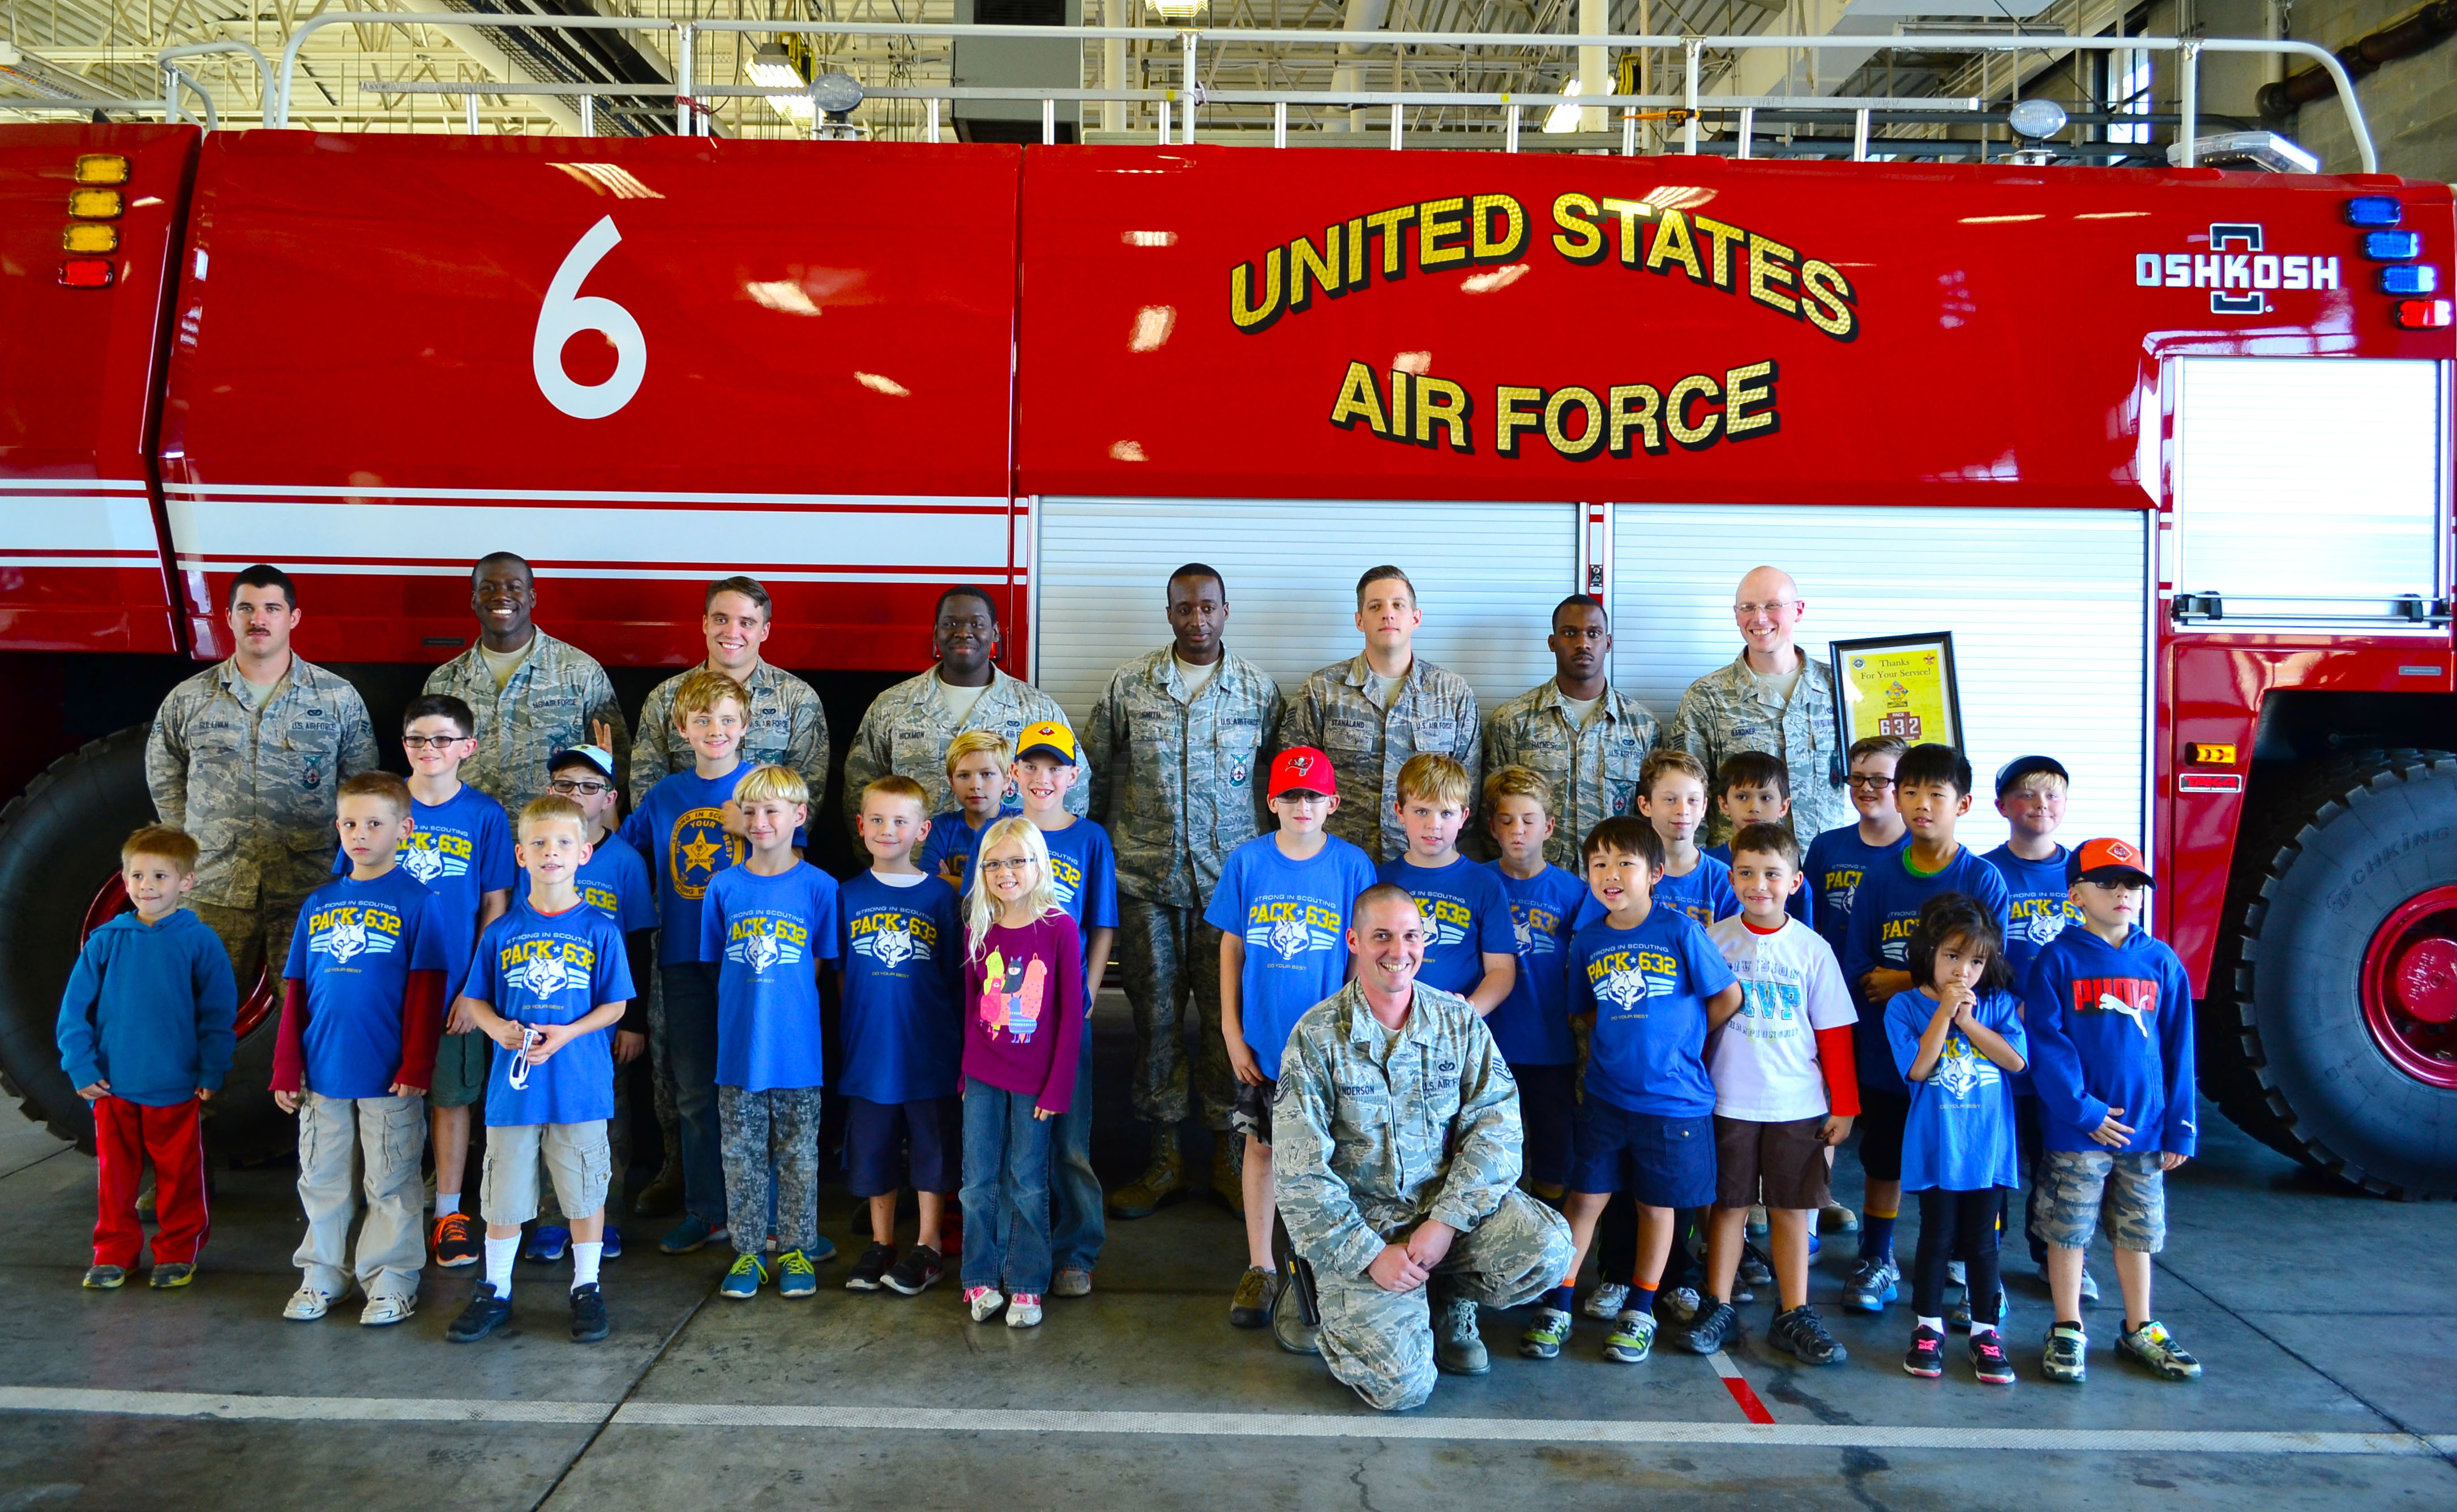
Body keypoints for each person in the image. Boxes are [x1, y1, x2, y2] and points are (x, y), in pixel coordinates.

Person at [1276, 885, 1576, 1412]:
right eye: (1382, 936)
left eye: (1411, 935)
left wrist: (1447, 1222)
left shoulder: (1457, 1022)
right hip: (1360, 1229)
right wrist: (1370, 1256)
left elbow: (1499, 1129)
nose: (1399, 950)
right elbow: (1301, 1175)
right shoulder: (1316, 1036)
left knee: (1549, 1249)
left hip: (1441, 1220)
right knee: (1401, 1389)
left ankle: (1445, 1293)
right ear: (1353, 941)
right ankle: (1330, 1293)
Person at [1085, 563, 1282, 1220]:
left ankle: (1230, 1159)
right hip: (1145, 884)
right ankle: (1164, 1159)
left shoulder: (1258, 690)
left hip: (1231, 889)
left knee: (1234, 1025)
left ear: (1227, 609)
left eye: (1207, 607)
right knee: (1158, 1022)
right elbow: (1089, 775)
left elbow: (1279, 789)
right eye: (1183, 608)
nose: (1196, 619)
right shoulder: (1129, 685)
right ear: (1168, 612)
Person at [1521, 816, 1742, 1367]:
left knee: (1656, 1205)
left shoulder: (1680, 931)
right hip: (1604, 1098)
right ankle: (1560, 1299)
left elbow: (1726, 998)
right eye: (1598, 864)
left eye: (1625, 863)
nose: (1610, 874)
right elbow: (1583, 1010)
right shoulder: (1589, 937)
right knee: (1586, 1199)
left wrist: (1680, 1042)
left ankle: (1640, 1309)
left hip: (1672, 1103)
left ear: (1654, 873)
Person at [445, 795, 635, 1346]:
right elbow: (475, 999)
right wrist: (495, 1027)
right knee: (503, 1193)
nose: (551, 852)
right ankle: (495, 1289)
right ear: (521, 855)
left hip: (578, 1087)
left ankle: (586, 1286)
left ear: (584, 851)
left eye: (562, 843)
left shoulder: (600, 928)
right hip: (514, 1090)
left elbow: (616, 1005)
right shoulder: (500, 931)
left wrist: (570, 1033)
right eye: (539, 843)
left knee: (582, 1191)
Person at [145, 563, 379, 994]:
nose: (259, 619)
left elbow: (362, 789)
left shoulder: (337, 697)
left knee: (310, 1019)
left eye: (272, 607)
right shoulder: (190, 698)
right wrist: (197, 843)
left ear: (293, 618)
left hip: (307, 892)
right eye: (247, 608)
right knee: (196, 1014)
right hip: (214, 891)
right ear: (230, 618)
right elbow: (165, 775)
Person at [269, 772, 450, 1325]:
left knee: (391, 1183)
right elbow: (296, 991)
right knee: (322, 1179)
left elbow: (426, 990)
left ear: (404, 828)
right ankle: (321, 1276)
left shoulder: (418, 902)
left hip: (389, 1078)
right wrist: (285, 1066)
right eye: (350, 823)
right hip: (323, 1074)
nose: (360, 834)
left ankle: (391, 1280)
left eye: (374, 823)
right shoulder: (319, 903)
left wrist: (418, 1062)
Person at [1205, 747, 1377, 1327]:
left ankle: (1321, 1265)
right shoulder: (1248, 861)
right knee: (1263, 1148)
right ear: (1271, 801)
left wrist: (1351, 1029)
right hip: (1263, 1042)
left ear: (1332, 803)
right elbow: (1231, 945)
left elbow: (1360, 957)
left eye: (1313, 797)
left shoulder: (1352, 866)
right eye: (1290, 796)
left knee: (1330, 1156)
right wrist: (1231, 1030)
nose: (1302, 806)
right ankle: (1261, 1265)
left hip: (1325, 1049)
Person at [1839, 743, 2012, 1316]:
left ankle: (1971, 1264)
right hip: (1892, 1048)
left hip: (1965, 1062)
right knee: (1883, 1155)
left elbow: (1985, 969)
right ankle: (1877, 1254)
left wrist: (1907, 979)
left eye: (1934, 794)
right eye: (1908, 790)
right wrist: (1895, 984)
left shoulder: (1981, 878)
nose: (1919, 804)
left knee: (1967, 1159)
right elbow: (1859, 966)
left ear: (1960, 804)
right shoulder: (1879, 875)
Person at [2022, 837, 2203, 1385]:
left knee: (2137, 1230)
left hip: (2143, 1133)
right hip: (2077, 1131)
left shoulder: (2160, 961)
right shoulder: (2057, 959)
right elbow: (2046, 1044)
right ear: (2074, 893)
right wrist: (2082, 1109)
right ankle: (2067, 1325)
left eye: (2132, 885)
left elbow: (2178, 1046)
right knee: (2067, 1228)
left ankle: (2139, 1326)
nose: (2123, 893)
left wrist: (2180, 1125)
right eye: (2107, 883)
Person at [1688, 823, 1856, 1367]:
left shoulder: (1812, 949)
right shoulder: (1715, 940)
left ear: (1795, 881)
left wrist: (1845, 1104)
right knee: (1728, 1207)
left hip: (1796, 1104)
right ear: (1730, 876)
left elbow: (1833, 1032)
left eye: (1772, 874)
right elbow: (1693, 1023)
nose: (1759, 885)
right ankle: (1718, 1303)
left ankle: (1794, 1311)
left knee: (1791, 1209)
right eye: (1746, 873)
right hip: (1726, 1101)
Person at [56, 826, 237, 1292]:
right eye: (138, 875)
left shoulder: (201, 942)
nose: (148, 885)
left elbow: (218, 1014)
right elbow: (74, 1010)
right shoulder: (104, 940)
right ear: (124, 878)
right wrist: (81, 1064)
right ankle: (114, 1253)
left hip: (176, 1087)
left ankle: (178, 1251)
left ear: (187, 882)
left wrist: (211, 1069)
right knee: (115, 1179)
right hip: (112, 1088)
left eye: (160, 875)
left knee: (180, 1177)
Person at [369, 695, 514, 1275]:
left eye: (443, 740)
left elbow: (495, 908)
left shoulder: (485, 816)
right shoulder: (381, 806)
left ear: (467, 748)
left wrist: (472, 992)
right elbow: (355, 888)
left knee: (451, 1100)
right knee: (387, 1100)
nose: (430, 750)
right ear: (403, 745)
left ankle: (449, 1213)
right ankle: (393, 1211)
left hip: (456, 988)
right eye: (417, 739)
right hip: (388, 988)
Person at [618, 670, 758, 1256]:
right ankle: (707, 1211)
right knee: (696, 1090)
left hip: (750, 959)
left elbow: (793, 858)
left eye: (727, 720)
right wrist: (593, 794)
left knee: (752, 1086)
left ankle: (763, 1211)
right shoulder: (665, 794)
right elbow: (620, 851)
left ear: (745, 727)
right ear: (682, 729)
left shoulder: (761, 786)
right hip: (682, 959)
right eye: (702, 721)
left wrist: (747, 824)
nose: (715, 730)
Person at [982, 722, 1118, 1297]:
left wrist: (1084, 995)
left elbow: (1101, 925)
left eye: (1053, 768)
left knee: (1069, 1138)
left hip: (1062, 1017)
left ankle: (1076, 1251)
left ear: (1072, 776)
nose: (1041, 779)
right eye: (1030, 767)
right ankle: (1012, 1253)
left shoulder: (1089, 841)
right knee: (1010, 1143)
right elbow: (981, 922)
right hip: (1006, 1023)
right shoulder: (996, 836)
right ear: (1014, 774)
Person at [702, 765, 841, 1302]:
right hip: (738, 1053)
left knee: (799, 1156)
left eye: (773, 811)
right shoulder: (723, 885)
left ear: (798, 816)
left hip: (797, 1055)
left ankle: (797, 1249)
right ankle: (747, 1252)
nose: (761, 822)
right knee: (740, 1155)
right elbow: (718, 961)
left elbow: (820, 965)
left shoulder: (819, 887)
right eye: (752, 811)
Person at [1886, 894, 2028, 1385]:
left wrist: (1968, 1020)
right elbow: (1919, 1067)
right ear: (1927, 952)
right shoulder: (1904, 1007)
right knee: (1936, 1240)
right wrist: (1944, 1015)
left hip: (1987, 1153)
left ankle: (1985, 1332)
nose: (1963, 971)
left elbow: (2014, 1061)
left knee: (1983, 1245)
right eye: (1951, 956)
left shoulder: (1999, 1005)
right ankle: (1927, 1327)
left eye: (1975, 960)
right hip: (1937, 1151)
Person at [837, 776, 966, 1299]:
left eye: (900, 820)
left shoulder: (941, 897)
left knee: (933, 1149)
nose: (887, 829)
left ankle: (929, 1244)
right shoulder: (844, 895)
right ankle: (882, 1240)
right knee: (875, 1148)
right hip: (869, 1050)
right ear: (861, 825)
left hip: (928, 1050)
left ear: (922, 830)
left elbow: (957, 978)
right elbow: (842, 975)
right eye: (877, 819)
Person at [958, 817, 1088, 1331]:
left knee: (1028, 1182)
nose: (1006, 872)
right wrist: (965, 1074)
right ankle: (979, 1276)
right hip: (982, 1075)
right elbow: (970, 1007)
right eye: (994, 863)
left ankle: (1028, 1280)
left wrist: (1059, 1086)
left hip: (1036, 1082)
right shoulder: (977, 926)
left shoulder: (1059, 926)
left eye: (1018, 861)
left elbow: (1070, 1017)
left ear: (1039, 865)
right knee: (977, 1182)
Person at [842, 585, 1085, 836]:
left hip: (1008, 871)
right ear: (936, 633)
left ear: (995, 633)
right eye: (950, 624)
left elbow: (1075, 794)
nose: (963, 632)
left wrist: (1044, 859)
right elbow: (859, 792)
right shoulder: (892, 707)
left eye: (977, 624)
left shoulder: (1036, 711)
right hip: (914, 869)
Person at [1277, 566, 1482, 863]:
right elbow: (1293, 782)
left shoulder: (1452, 694)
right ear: (1360, 620)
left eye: (1398, 605)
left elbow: (1469, 791)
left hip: (1422, 863)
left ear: (1416, 618)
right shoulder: (1323, 690)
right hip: (1338, 861)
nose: (1388, 614)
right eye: (1375, 606)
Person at [546, 744, 654, 1254]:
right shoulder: (538, 848)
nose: (577, 795)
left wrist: (634, 1021)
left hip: (605, 1021)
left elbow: (637, 944)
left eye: (591, 787)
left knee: (609, 1119)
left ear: (609, 798)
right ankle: (550, 1217)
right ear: (551, 792)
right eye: (566, 784)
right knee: (547, 1117)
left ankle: (601, 1216)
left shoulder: (625, 861)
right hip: (544, 1014)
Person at [1799, 733, 1907, 1243]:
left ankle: (1879, 1245)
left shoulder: (1918, 851)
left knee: (1884, 1131)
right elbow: (1803, 924)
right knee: (1820, 1115)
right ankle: (1811, 1216)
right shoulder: (1828, 846)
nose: (1867, 789)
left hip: (1892, 1011)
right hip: (1826, 1005)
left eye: (1881, 780)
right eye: (1857, 778)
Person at [422, 552, 628, 812]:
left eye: (514, 587)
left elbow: (616, 763)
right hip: (470, 840)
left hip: (555, 843)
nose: (501, 596)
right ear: (474, 600)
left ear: (531, 598)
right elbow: (427, 767)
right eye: (488, 588)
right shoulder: (443, 683)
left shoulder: (580, 672)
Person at [1984, 754, 2083, 1287]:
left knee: (2057, 1156)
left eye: (2051, 795)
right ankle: (1980, 1251)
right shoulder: (1985, 871)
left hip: (2061, 1047)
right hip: (2001, 1039)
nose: (2040, 804)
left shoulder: (2085, 876)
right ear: (2002, 806)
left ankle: (2053, 1254)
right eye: (2026, 794)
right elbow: (1972, 953)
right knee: (2000, 1152)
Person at [1666, 566, 1848, 847]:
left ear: (1798, 611)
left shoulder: (1840, 688)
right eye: (1747, 607)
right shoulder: (1707, 698)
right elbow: (1688, 799)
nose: (1759, 618)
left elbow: (1876, 780)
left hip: (1822, 868)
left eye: (1772, 605)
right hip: (1741, 873)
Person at [1479, 765, 1595, 1199]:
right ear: (1491, 826)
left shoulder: (1574, 892)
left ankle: (1553, 1251)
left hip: (1551, 1047)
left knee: (1554, 1155)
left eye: (1528, 821)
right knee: (1490, 1152)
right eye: (1507, 821)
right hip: (1489, 1045)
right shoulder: (1477, 881)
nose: (1517, 831)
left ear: (1548, 826)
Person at [1482, 596, 1660, 872]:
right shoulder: (1513, 722)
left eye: (1594, 633)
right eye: (1569, 633)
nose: (1583, 643)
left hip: (1616, 886)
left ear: (1608, 643)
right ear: (1553, 643)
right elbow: (1491, 817)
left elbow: (1654, 818)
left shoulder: (1642, 727)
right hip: (1534, 886)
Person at [630, 575, 830, 808]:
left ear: (764, 631)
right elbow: (645, 788)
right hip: (686, 839)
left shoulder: (798, 700)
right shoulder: (666, 698)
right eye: (721, 619)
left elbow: (807, 794)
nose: (732, 632)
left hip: (766, 840)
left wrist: (766, 839)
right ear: (706, 624)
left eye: (746, 623)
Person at [1375, 755, 1516, 1015]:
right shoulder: (1379, 881)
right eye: (1421, 811)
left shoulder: (1484, 884)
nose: (1433, 825)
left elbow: (1501, 970)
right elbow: (1362, 961)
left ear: (1463, 817)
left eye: (1446, 813)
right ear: (1399, 812)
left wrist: (1468, 1011)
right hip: (1388, 1022)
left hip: (1457, 1033)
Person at [1638, 749, 1738, 927]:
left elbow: (1735, 947)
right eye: (1670, 799)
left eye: (1693, 800)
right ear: (1646, 805)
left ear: (1704, 807)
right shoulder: (1624, 873)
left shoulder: (1722, 879)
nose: (1682, 810)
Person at [918, 730, 1022, 886]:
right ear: (952, 783)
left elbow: (1024, 886)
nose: (975, 786)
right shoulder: (942, 827)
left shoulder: (1021, 824)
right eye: (964, 776)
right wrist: (995, 885)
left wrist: (951, 882)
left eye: (987, 774)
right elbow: (928, 883)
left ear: (1007, 781)